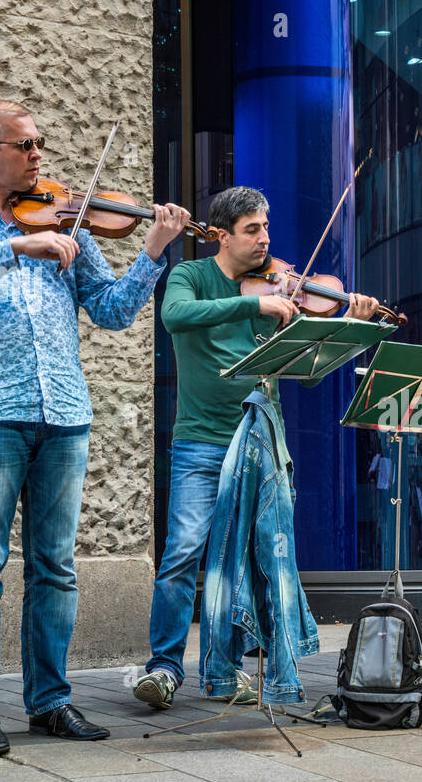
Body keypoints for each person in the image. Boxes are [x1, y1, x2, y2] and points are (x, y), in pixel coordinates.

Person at [0, 99, 190, 755]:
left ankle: (51, 702)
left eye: (41, 143)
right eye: (26, 144)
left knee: (55, 568)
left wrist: (152, 251)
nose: (39, 155)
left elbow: (114, 312)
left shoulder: (71, 220)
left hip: (65, 415)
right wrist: (16, 245)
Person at [131, 186, 380, 709]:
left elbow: (307, 374)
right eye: (252, 229)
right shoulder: (192, 277)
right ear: (222, 235)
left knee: (257, 557)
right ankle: (163, 668)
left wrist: (347, 323)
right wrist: (254, 301)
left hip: (263, 439)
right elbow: (174, 316)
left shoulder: (281, 292)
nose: (265, 238)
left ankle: (230, 667)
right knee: (183, 554)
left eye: (266, 227)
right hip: (202, 441)